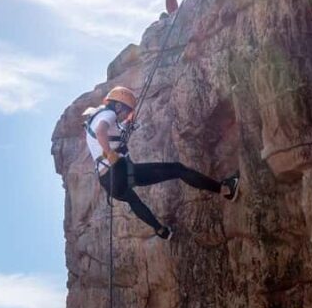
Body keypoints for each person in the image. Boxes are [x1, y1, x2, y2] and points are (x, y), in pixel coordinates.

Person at [84, 86, 239, 240]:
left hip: (108, 182)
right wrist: (110, 153)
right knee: (177, 169)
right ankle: (225, 189)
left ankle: (160, 230)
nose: (126, 115)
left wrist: (126, 125)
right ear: (118, 105)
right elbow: (101, 131)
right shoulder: (109, 114)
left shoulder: (96, 117)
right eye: (126, 110)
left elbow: (107, 134)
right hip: (118, 171)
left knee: (132, 200)